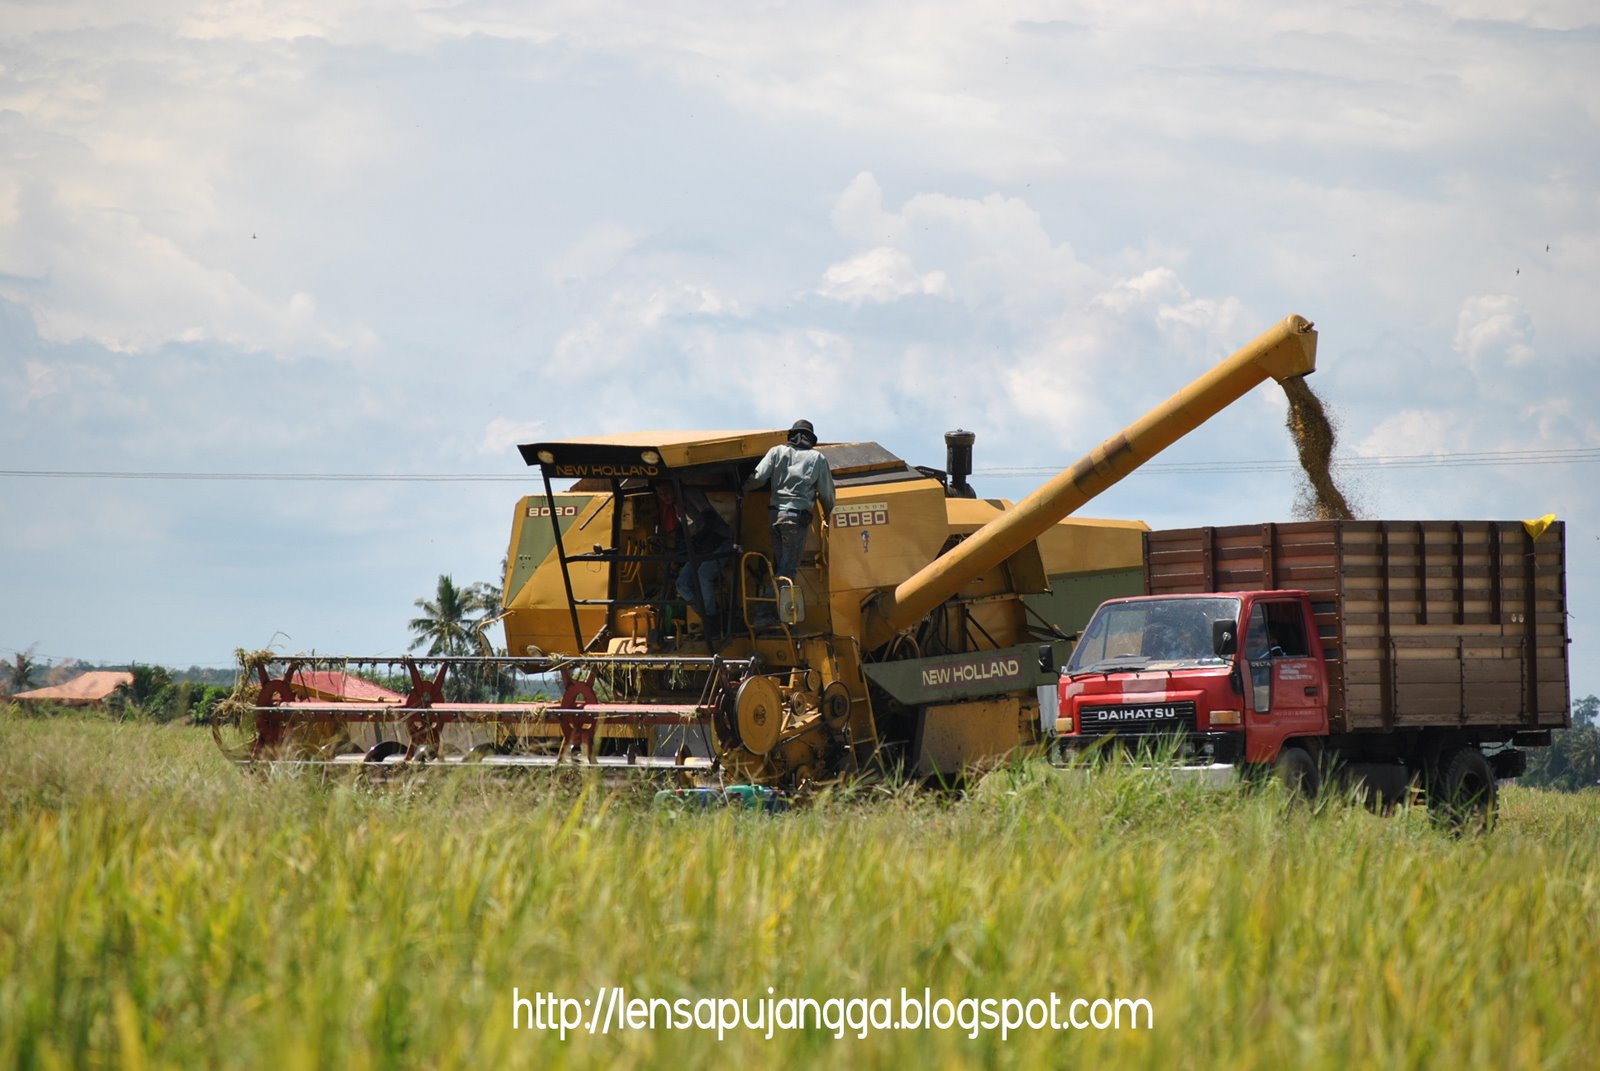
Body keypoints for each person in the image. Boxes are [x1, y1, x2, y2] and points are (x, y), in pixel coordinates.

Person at [743, 419, 836, 583]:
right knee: (787, 573)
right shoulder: (817, 458)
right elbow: (827, 494)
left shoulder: (776, 452)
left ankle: (774, 606)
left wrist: (742, 490)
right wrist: (828, 514)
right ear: (811, 439)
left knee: (782, 567)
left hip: (775, 517)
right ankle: (767, 607)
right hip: (795, 520)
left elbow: (758, 478)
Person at [656, 483, 735, 647]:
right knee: (682, 583)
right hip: (700, 548)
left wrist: (695, 541)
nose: (665, 496)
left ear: (674, 485)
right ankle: (710, 617)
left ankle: (712, 623)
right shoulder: (675, 506)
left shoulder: (690, 494)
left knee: (703, 576)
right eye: (661, 494)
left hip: (720, 542)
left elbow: (709, 517)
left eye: (666, 491)